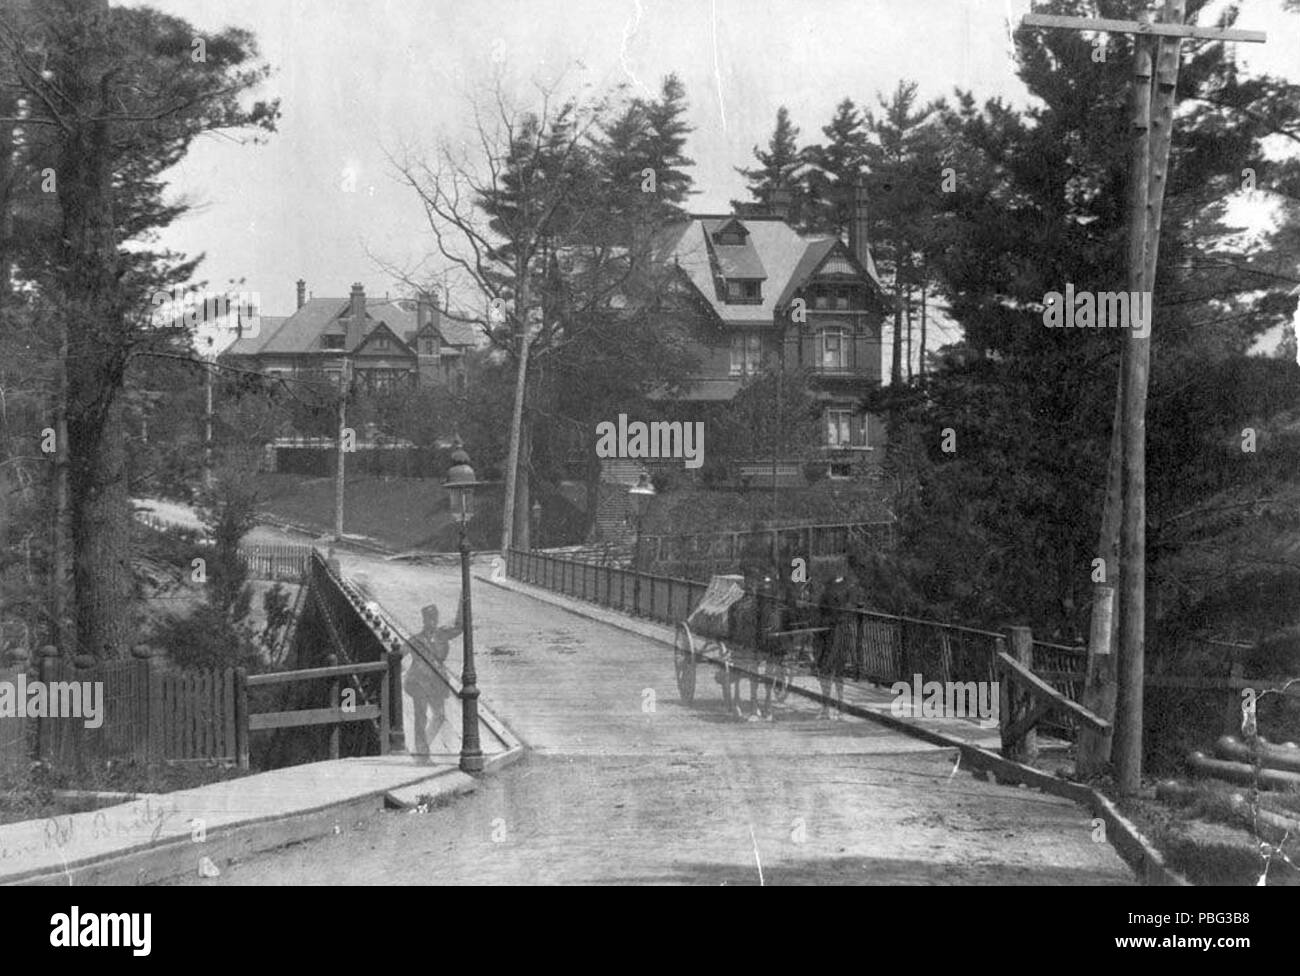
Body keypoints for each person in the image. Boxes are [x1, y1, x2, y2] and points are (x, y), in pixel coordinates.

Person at [813, 572, 857, 719]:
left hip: (836, 637)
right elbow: (820, 614)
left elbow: (846, 615)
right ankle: (829, 707)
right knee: (830, 673)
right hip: (828, 636)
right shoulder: (827, 595)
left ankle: (838, 707)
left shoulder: (845, 595)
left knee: (836, 673)